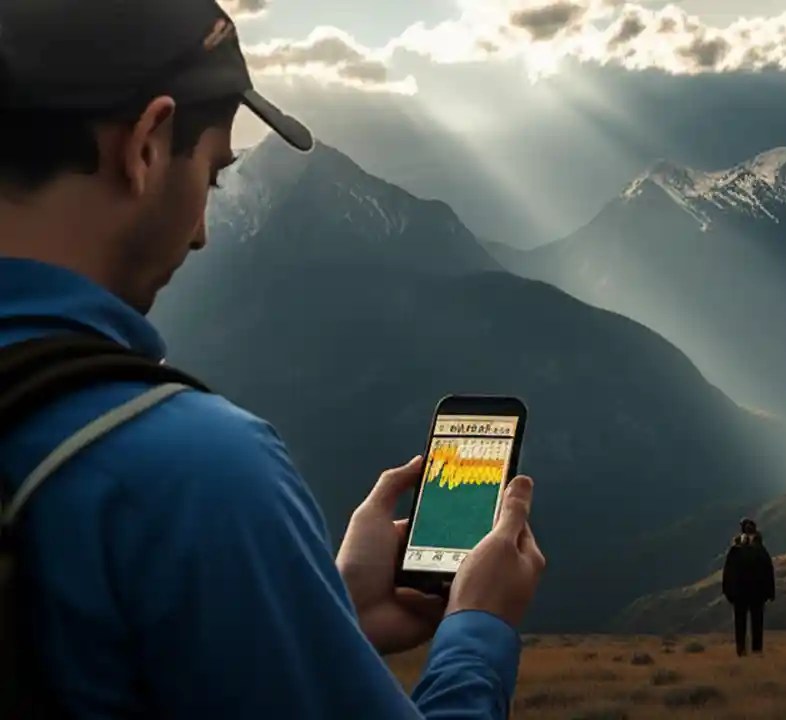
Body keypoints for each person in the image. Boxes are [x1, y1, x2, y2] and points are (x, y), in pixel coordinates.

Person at [0, 0, 545, 717]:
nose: (201, 232)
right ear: (147, 144)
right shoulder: (194, 475)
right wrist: (479, 626)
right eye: (212, 175)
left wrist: (318, 610)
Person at [721, 518, 775, 656]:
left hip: (741, 593)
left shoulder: (736, 551)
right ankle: (755, 650)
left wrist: (728, 591)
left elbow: (728, 573)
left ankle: (742, 650)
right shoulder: (760, 550)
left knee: (741, 622)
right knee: (756, 622)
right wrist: (770, 591)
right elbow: (769, 571)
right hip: (756, 593)